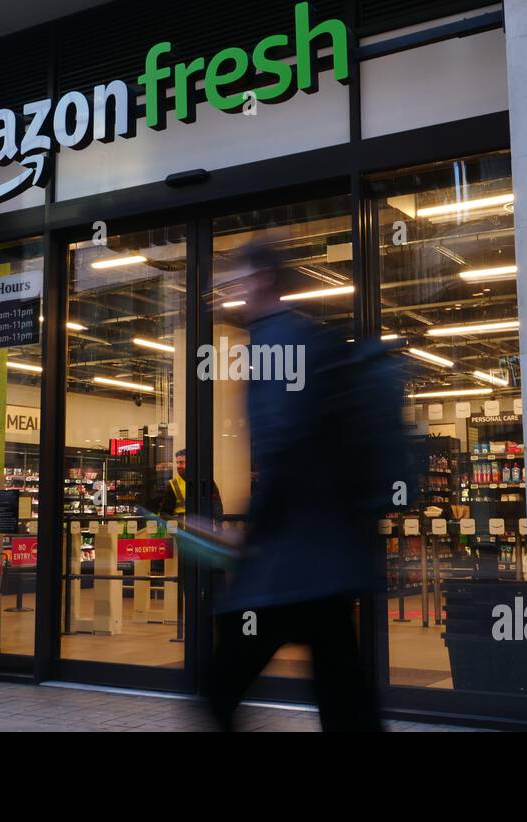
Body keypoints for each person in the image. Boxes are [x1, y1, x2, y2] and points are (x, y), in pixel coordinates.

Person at [206, 243, 412, 732]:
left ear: (261, 280)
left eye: (236, 280)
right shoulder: (310, 339)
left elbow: (285, 450)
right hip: (332, 561)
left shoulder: (276, 345)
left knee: (217, 689)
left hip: (286, 566)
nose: (232, 293)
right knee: (346, 702)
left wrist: (248, 535)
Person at [156, 448, 223, 523]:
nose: (178, 466)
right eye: (177, 462)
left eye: (181, 462)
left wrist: (218, 529)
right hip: (181, 530)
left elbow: (217, 507)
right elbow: (164, 513)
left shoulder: (206, 481)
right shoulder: (173, 484)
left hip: (204, 528)